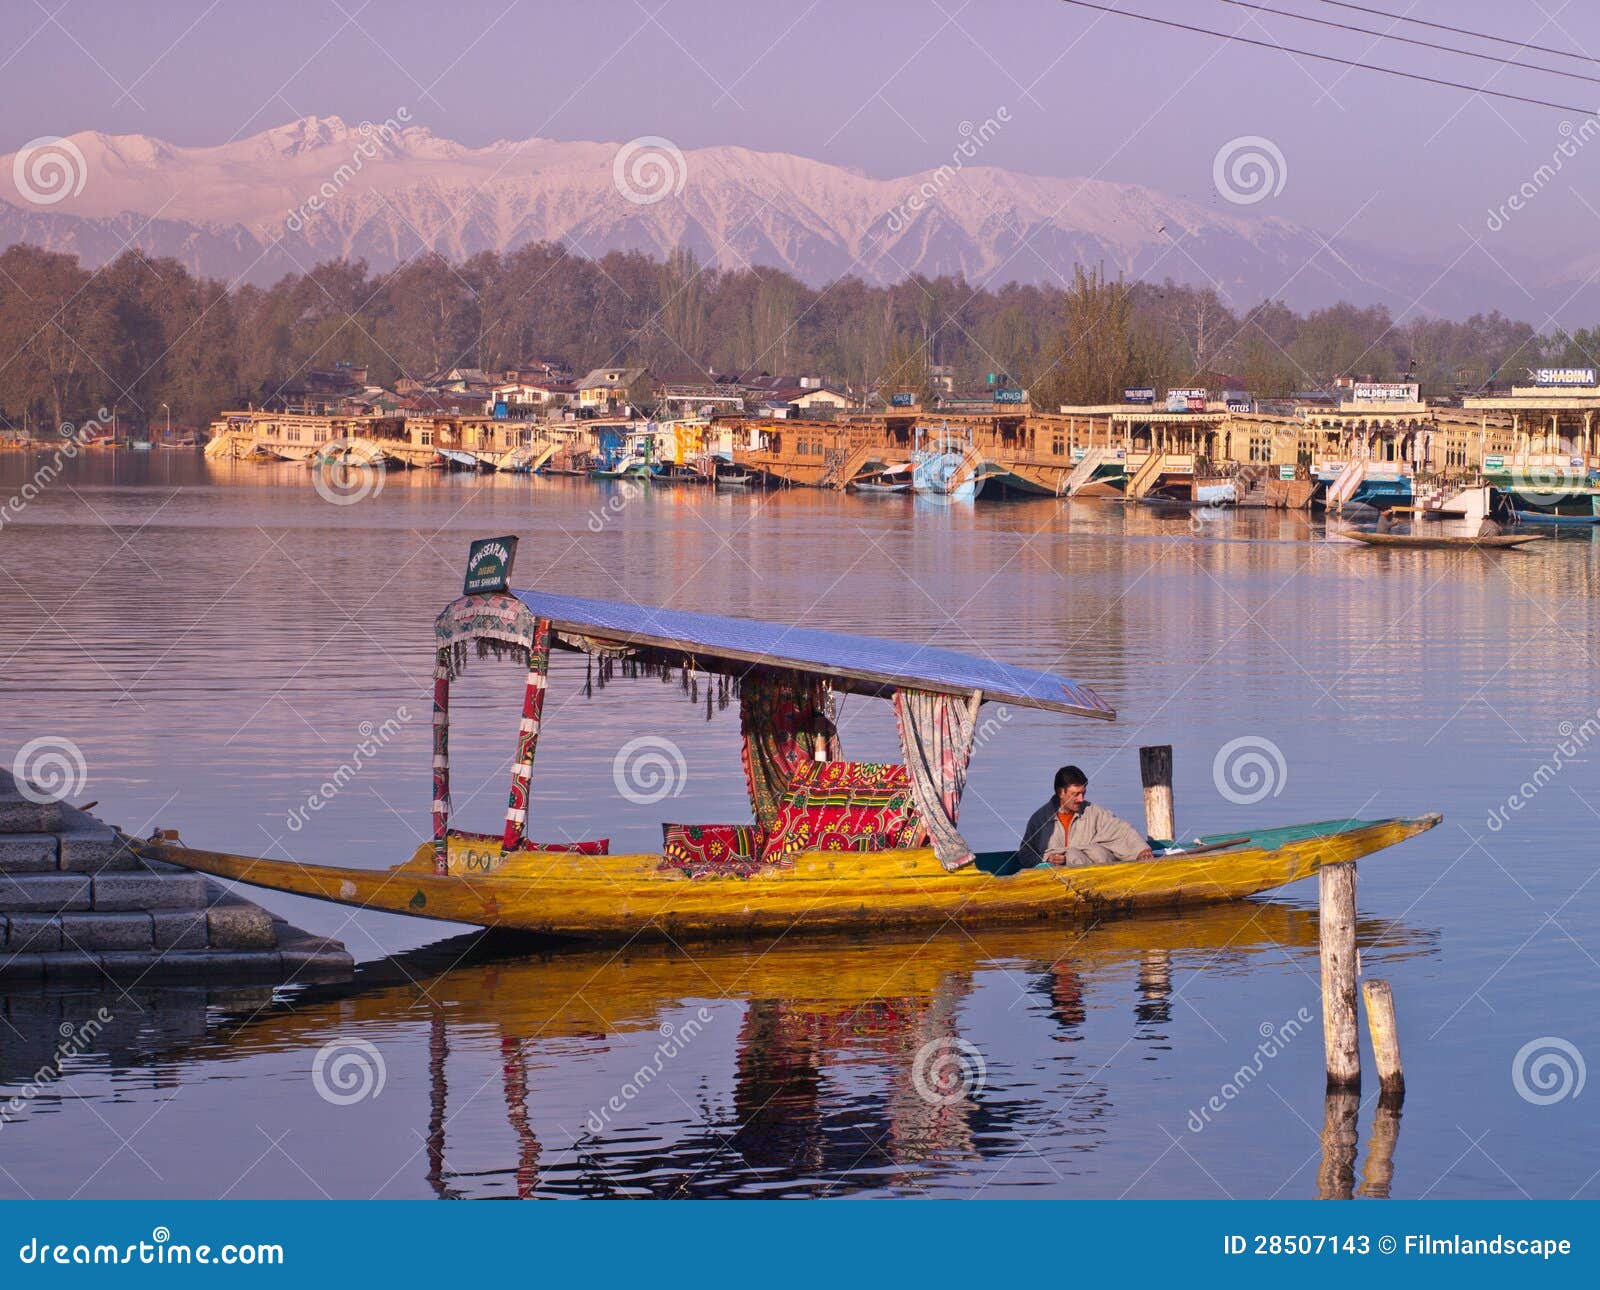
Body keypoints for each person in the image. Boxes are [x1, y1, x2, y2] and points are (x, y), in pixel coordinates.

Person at [1015, 765, 1155, 870]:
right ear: (1061, 792)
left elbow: (1122, 831)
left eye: (1083, 793)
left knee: (1098, 852)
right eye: (1075, 794)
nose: (1081, 799)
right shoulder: (1039, 818)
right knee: (1073, 855)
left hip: (1096, 878)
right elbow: (1025, 854)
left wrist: (1141, 850)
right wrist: (1046, 858)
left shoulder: (1094, 812)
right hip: (1056, 881)